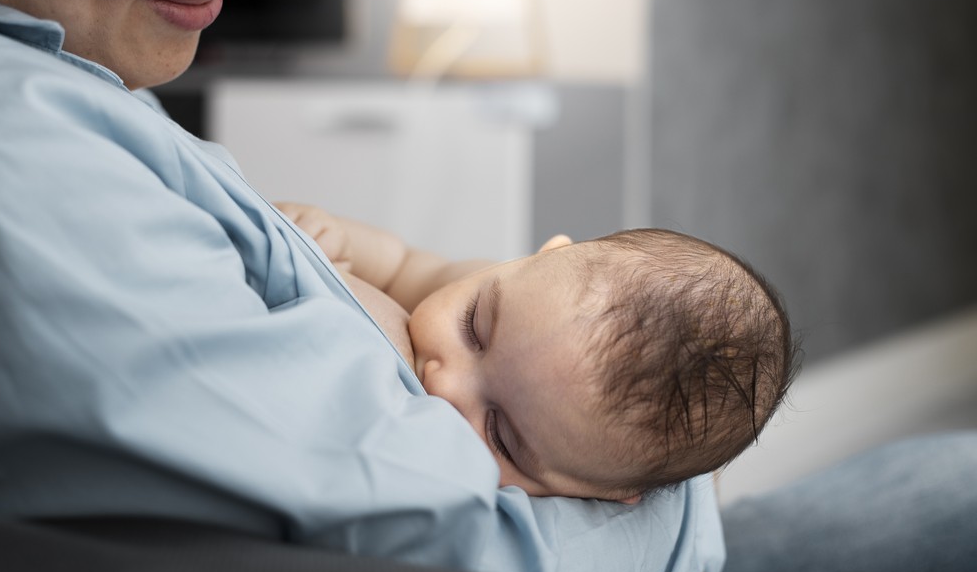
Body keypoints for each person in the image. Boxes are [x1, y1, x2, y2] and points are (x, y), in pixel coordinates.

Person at [0, 0, 724, 572]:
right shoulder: (19, 147)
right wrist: (675, 495)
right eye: (473, 327)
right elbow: (464, 548)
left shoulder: (81, 72)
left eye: (502, 433)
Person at [277, 203, 797, 504]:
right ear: (543, 256)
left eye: (502, 437)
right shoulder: (475, 280)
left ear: (599, 495)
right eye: (472, 329)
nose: (443, 384)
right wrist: (339, 239)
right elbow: (399, 264)